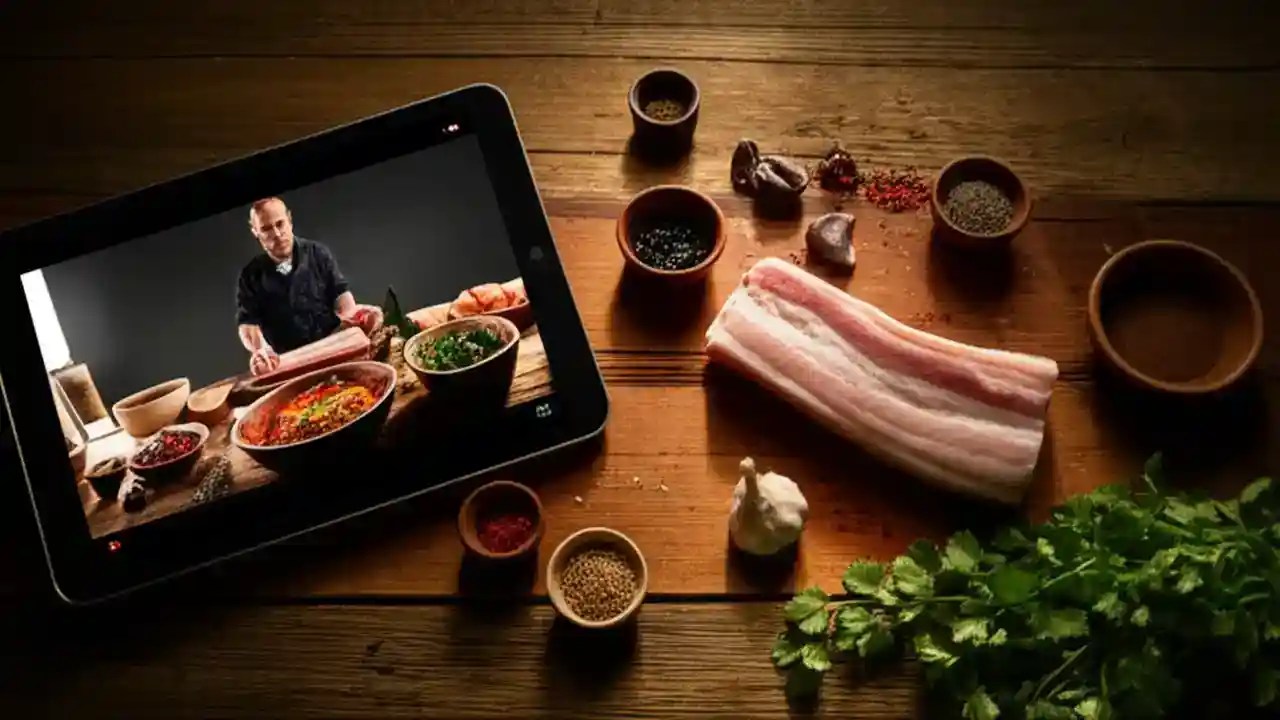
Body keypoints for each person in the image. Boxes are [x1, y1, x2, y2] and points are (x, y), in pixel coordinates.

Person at [236, 197, 383, 376]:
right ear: (255, 232)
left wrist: (355, 315)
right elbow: (248, 323)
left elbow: (340, 293)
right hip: (289, 362)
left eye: (280, 224)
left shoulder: (318, 253)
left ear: (289, 220)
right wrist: (260, 349)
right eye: (266, 229)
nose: (276, 233)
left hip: (335, 348)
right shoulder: (250, 275)